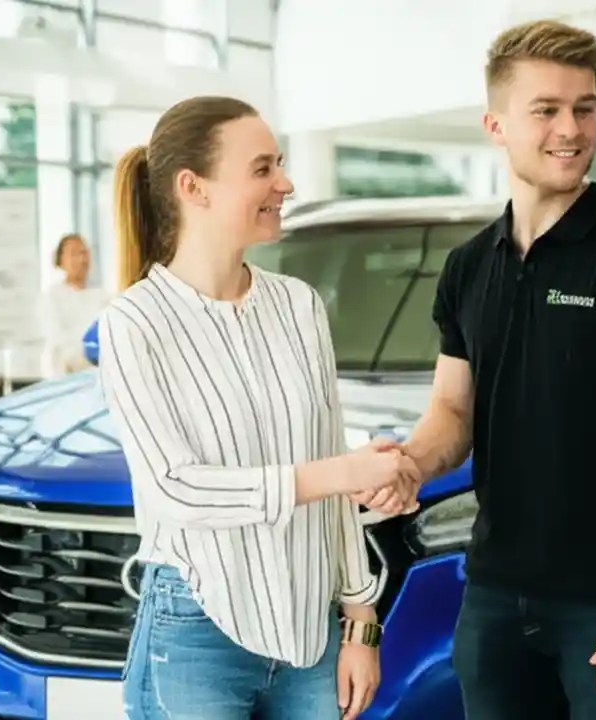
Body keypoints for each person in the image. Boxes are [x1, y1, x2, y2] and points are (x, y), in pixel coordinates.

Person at [363, 19, 596, 719]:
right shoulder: (469, 267)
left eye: (584, 107)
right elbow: (454, 414)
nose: (572, 128)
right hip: (493, 596)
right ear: (496, 124)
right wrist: (409, 462)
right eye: (547, 110)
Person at [97, 96, 421, 720]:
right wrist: (343, 474)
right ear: (194, 188)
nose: (286, 183)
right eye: (263, 168)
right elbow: (175, 492)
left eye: (281, 165)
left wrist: (360, 620)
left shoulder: (298, 305)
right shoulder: (133, 323)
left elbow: (330, 464)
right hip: (194, 636)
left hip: (310, 637)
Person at [38, 233, 106, 378]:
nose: (81, 259)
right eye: (74, 254)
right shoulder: (52, 297)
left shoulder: (102, 296)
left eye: (84, 253)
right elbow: (57, 338)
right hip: (64, 374)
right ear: (61, 260)